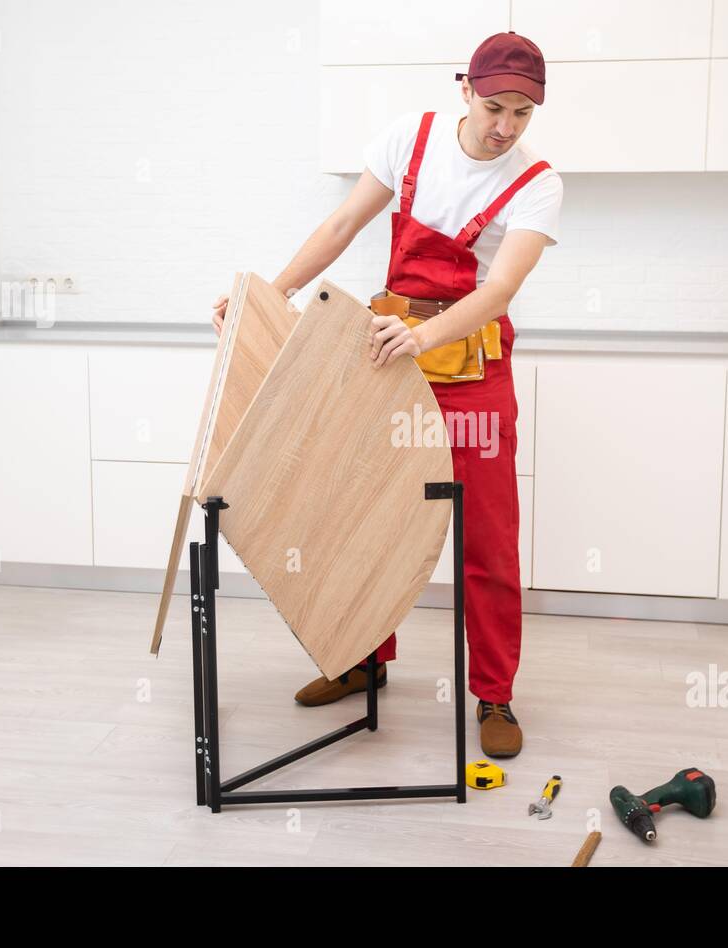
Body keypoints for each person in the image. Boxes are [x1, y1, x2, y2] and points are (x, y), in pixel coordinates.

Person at [212, 31, 563, 758]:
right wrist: (267, 297)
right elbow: (341, 225)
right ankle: (365, 658)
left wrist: (427, 338)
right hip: (389, 357)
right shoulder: (412, 139)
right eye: (495, 106)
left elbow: (499, 289)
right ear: (464, 88)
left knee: (487, 541)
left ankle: (493, 693)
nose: (505, 127)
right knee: (365, 510)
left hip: (472, 376)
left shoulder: (539, 184)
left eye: (523, 114)